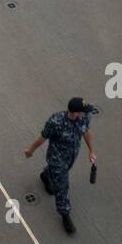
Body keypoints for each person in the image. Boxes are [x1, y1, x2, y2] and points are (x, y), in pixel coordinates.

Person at [24, 98, 97, 235]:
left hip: (72, 156)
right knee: (62, 186)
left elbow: (86, 132)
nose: (86, 113)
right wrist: (31, 150)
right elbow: (43, 137)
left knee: (56, 175)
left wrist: (91, 150)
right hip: (57, 158)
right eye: (82, 111)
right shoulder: (56, 121)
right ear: (75, 113)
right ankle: (65, 214)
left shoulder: (84, 117)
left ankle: (46, 175)